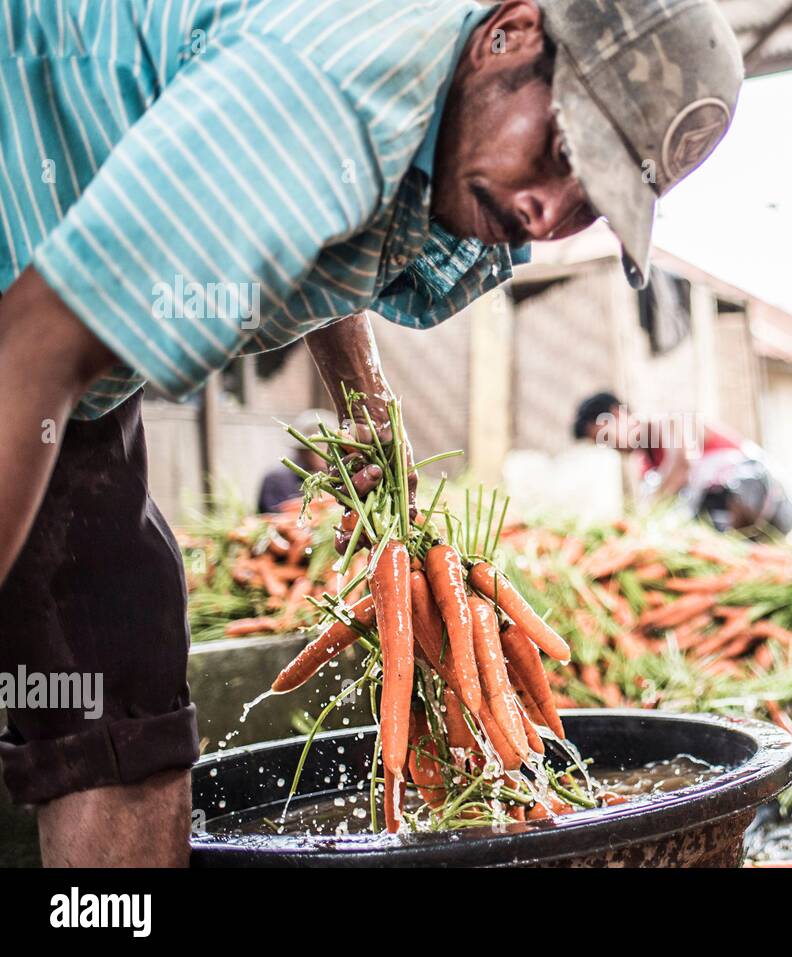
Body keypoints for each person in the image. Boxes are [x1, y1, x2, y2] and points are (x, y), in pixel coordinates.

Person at [0, 0, 742, 865]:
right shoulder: (327, 100)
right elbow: (31, 348)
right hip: (27, 319)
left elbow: (321, 221)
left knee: (124, 721)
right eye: (563, 152)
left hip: (66, 362)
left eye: (594, 202)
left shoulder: (401, 103)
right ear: (508, 33)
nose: (548, 212)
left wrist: (363, 398)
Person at [572, 392, 792, 537]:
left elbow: (682, 467)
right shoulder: (648, 469)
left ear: (616, 414)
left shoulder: (669, 423)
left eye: (606, 436)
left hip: (768, 500)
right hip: (742, 529)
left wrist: (642, 520)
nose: (611, 446)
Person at [258, 410, 333, 513]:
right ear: (303, 450)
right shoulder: (277, 480)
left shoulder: (332, 479)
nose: (328, 453)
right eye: (322, 446)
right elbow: (271, 518)